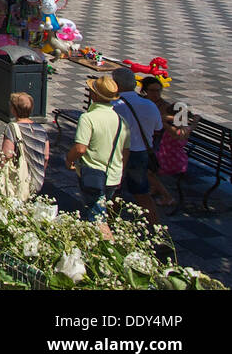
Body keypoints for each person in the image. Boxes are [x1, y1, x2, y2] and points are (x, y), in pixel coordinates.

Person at [66, 76, 129, 236]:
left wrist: (69, 159)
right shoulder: (121, 121)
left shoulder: (88, 118)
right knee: (95, 213)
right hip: (113, 176)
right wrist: (120, 170)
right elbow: (126, 151)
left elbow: (80, 148)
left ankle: (109, 248)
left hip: (93, 174)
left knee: (97, 218)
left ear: (94, 95)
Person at [111, 68, 164, 225]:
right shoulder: (150, 105)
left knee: (114, 191)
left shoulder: (114, 106)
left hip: (119, 153)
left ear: (116, 84)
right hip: (141, 153)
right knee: (142, 193)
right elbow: (158, 128)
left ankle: (111, 225)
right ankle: (156, 228)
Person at [140, 75, 187, 210]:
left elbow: (181, 121)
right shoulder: (142, 102)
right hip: (150, 140)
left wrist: (164, 118)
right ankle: (155, 188)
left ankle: (166, 195)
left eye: (158, 90)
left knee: (145, 167)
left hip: (159, 143)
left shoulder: (164, 106)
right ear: (145, 91)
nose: (156, 94)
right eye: (152, 90)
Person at [0, 92, 50, 200]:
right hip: (36, 180)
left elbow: (6, 155)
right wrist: (39, 174)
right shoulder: (41, 129)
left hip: (18, 179)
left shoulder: (13, 128)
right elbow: (46, 157)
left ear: (13, 109)